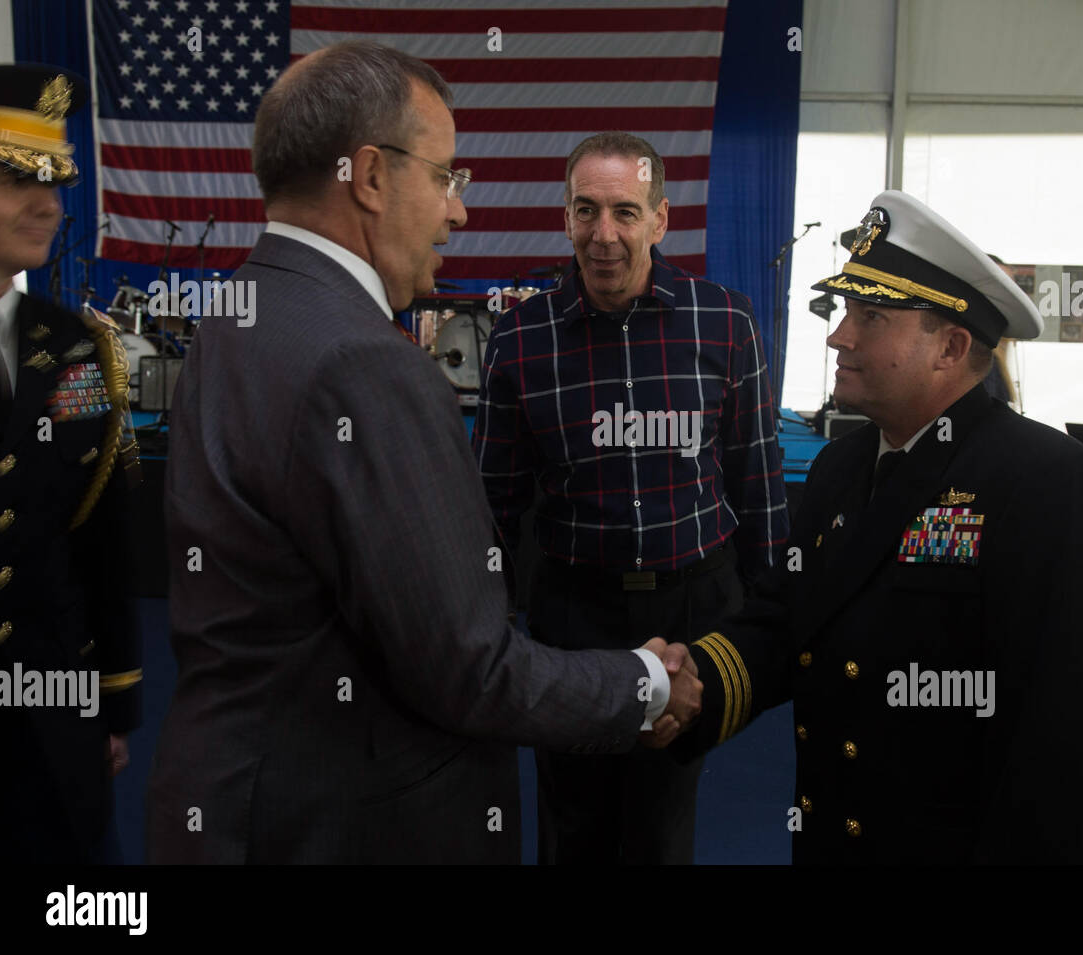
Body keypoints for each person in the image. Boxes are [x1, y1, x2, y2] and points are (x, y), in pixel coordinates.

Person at [148, 42, 700, 865]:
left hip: (233, 794)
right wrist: (643, 682)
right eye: (447, 177)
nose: (460, 212)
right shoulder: (365, 362)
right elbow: (469, 668)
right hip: (341, 822)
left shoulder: (238, 310)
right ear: (369, 177)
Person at [655, 191, 1083, 864]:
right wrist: (693, 681)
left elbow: (1067, 747)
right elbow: (784, 618)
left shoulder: (1049, 484)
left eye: (871, 316)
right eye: (848, 310)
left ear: (950, 346)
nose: (839, 334)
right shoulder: (840, 466)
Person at [472, 131, 788, 864]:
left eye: (623, 211)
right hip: (573, 614)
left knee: (661, 820)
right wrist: (483, 632)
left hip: (693, 608)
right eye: (585, 210)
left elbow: (758, 481)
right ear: (565, 217)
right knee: (571, 820)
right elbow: (493, 505)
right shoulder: (518, 341)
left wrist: (771, 627)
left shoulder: (727, 322)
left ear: (660, 218)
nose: (603, 234)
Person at [0, 64, 142, 863]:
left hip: (55, 717)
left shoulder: (85, 352)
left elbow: (102, 542)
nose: (48, 203)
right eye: (18, 177)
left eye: (54, 180)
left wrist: (113, 703)